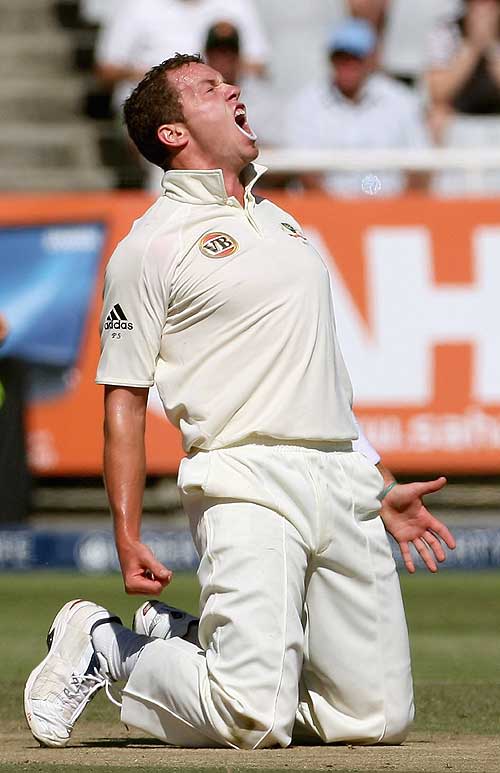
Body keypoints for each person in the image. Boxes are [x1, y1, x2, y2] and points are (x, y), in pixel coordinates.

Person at [24, 53, 455, 751]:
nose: (232, 89)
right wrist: (127, 532)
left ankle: (203, 649)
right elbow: (124, 401)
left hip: (343, 481)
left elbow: (320, 376)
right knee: (250, 720)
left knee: (377, 720)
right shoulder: (149, 246)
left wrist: (381, 484)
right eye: (208, 88)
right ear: (172, 133)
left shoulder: (280, 221)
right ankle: (109, 645)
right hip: (244, 476)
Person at [284, 17, 430, 197]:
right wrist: (337, 210)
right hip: (327, 209)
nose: (347, 64)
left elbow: (419, 166)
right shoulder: (306, 105)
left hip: (392, 207)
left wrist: (396, 209)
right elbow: (305, 172)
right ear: (330, 59)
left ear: (370, 60)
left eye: (355, 57)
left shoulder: (401, 101)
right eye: (341, 57)